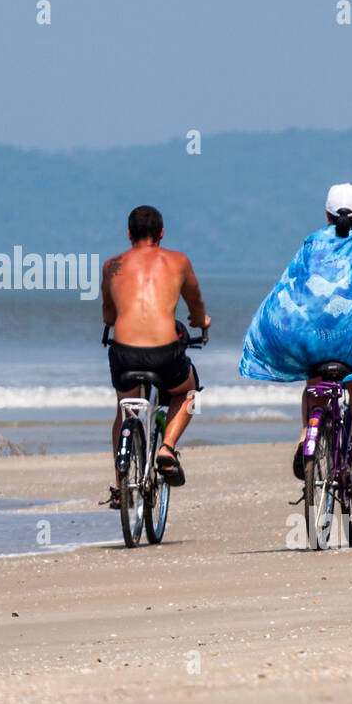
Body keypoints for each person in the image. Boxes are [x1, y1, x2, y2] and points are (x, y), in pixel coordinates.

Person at [238, 184, 352, 512]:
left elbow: (289, 291)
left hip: (313, 343)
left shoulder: (310, 246)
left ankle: (308, 433)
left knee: (314, 382)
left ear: (327, 215)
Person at [101, 205, 210, 508]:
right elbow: (195, 302)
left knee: (125, 410)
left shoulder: (112, 265)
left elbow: (108, 314)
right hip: (165, 354)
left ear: (128, 234)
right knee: (188, 392)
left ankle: (119, 484)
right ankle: (167, 449)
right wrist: (202, 322)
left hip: (124, 354)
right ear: (162, 233)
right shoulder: (178, 261)